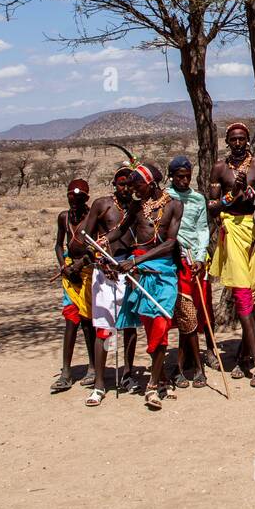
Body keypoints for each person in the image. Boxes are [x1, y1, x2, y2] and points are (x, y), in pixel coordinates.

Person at [105, 163, 184, 410]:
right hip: (140, 275)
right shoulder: (137, 207)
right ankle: (160, 379)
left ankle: (151, 386)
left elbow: (170, 243)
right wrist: (101, 241)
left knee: (161, 322)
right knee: (151, 327)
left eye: (136, 184)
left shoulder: (173, 205)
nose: (132, 189)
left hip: (163, 272)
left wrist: (136, 260)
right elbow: (120, 231)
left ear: (150, 183)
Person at [208, 122, 255, 387]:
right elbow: (211, 206)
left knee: (252, 295)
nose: (237, 143)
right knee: (243, 293)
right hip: (232, 231)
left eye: (241, 138)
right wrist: (232, 196)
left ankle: (243, 355)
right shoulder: (219, 168)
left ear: (248, 140)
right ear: (226, 141)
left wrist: (254, 197)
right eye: (232, 139)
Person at [80, 166, 138, 402]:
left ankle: (128, 373)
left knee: (131, 327)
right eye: (122, 183)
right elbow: (85, 236)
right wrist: (99, 260)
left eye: (130, 184)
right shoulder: (101, 204)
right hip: (105, 273)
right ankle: (100, 383)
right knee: (104, 328)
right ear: (114, 184)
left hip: (129, 269)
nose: (126, 188)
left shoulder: (137, 207)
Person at [167, 155, 215, 390]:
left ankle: (186, 365)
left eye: (187, 177)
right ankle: (188, 365)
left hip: (195, 261)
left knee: (194, 312)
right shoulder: (165, 199)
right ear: (172, 177)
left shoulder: (197, 199)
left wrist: (200, 257)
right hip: (172, 261)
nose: (184, 181)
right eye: (179, 177)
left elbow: (203, 228)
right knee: (183, 313)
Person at [51, 178, 96, 393]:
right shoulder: (63, 217)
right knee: (71, 319)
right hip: (69, 273)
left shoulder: (92, 218)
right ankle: (66, 372)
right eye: (71, 196)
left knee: (88, 321)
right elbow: (59, 245)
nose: (75, 201)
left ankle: (93, 367)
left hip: (87, 272)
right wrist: (64, 266)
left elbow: (95, 249)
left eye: (79, 197)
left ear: (87, 198)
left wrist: (79, 265)